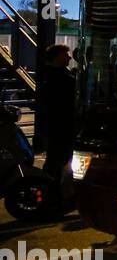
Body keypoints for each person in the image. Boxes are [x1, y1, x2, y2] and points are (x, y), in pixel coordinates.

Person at [36, 43, 77, 191]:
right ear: (57, 56)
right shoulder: (56, 76)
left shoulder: (50, 74)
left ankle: (50, 188)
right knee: (57, 158)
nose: (69, 57)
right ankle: (50, 189)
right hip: (60, 125)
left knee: (56, 158)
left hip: (57, 124)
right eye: (66, 54)